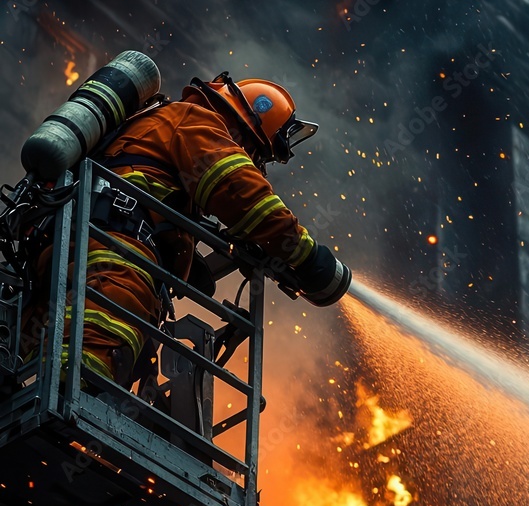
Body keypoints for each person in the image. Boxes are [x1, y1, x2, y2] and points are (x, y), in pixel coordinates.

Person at [20, 71, 350, 386]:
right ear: (246, 128)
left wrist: (184, 260)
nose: (253, 162)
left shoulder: (160, 124)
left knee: (53, 340)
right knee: (102, 335)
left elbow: (152, 193)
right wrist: (307, 257)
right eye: (255, 154)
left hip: (65, 247)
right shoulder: (196, 120)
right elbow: (244, 196)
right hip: (114, 256)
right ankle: (69, 404)